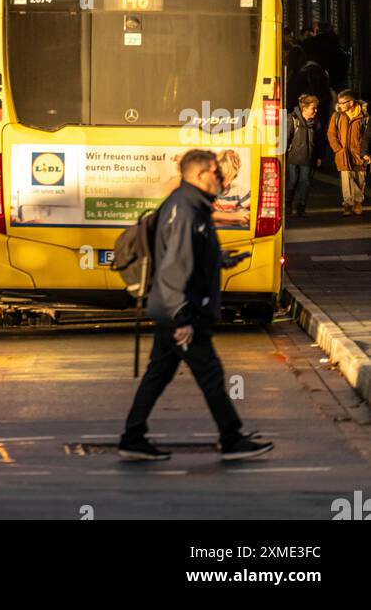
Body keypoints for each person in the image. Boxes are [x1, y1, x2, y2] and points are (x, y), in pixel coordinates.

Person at [118, 149, 274, 463]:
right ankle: (231, 439)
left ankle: (133, 437)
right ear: (201, 175)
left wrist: (225, 260)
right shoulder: (187, 210)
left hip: (174, 309)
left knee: (158, 374)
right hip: (182, 311)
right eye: (217, 172)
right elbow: (175, 266)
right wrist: (181, 318)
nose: (222, 177)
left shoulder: (191, 206)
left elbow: (193, 255)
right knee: (210, 374)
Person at [327, 89, 371, 216]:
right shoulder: (337, 115)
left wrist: (366, 152)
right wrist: (338, 149)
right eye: (339, 103)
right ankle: (348, 203)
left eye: (342, 103)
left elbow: (368, 136)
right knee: (346, 179)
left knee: (359, 179)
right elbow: (331, 133)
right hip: (343, 153)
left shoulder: (364, 115)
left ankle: (358, 202)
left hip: (359, 153)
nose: (339, 105)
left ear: (351, 103)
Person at [286, 94, 326, 217]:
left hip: (308, 159)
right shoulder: (292, 119)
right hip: (293, 158)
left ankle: (300, 209)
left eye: (316, 108)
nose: (315, 110)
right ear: (305, 108)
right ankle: (287, 205)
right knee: (292, 182)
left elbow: (320, 141)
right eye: (313, 108)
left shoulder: (316, 122)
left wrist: (319, 156)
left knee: (305, 183)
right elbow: (286, 138)